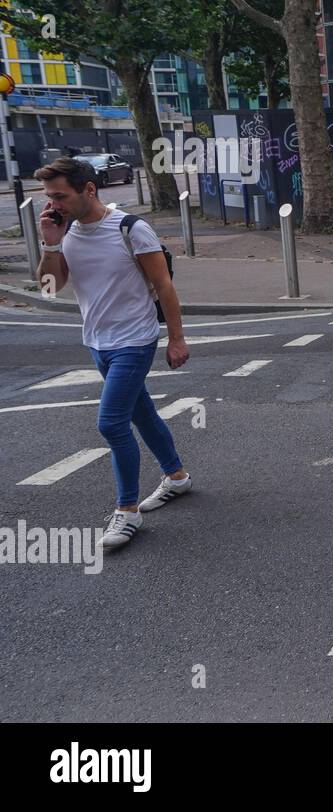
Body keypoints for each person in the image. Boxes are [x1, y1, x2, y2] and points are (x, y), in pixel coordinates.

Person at [34, 157, 193, 551]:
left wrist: (176, 339)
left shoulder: (130, 229)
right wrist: (50, 243)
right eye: (48, 197)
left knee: (111, 423)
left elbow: (165, 287)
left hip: (134, 341)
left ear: (89, 190)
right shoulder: (66, 231)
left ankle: (127, 511)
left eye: (60, 196)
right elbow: (50, 289)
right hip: (97, 343)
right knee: (141, 413)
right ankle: (177, 477)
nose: (53, 205)